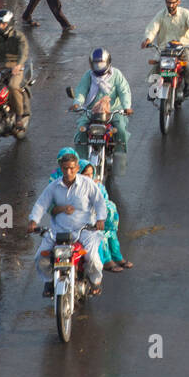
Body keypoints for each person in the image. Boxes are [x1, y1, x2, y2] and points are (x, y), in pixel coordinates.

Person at [27, 149, 108, 298]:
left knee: (93, 259)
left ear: (77, 168)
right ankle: (50, 280)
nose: (69, 172)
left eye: (72, 168)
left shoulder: (87, 184)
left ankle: (95, 282)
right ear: (61, 168)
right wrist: (33, 221)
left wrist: (100, 219)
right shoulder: (54, 186)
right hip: (59, 230)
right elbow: (41, 204)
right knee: (41, 256)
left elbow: (99, 202)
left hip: (85, 230)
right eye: (65, 168)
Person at [70, 48, 134, 168]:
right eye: (96, 64)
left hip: (113, 111)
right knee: (81, 131)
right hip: (91, 111)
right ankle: (81, 165)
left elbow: (124, 91)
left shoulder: (116, 75)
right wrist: (77, 103)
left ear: (108, 62)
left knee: (120, 130)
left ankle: (120, 159)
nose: (99, 66)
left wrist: (126, 107)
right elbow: (81, 91)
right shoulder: (88, 76)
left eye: (101, 63)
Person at [142, 0, 189, 96]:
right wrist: (148, 39)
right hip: (166, 48)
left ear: (178, 2)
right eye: (168, 2)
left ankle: (188, 84)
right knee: (157, 66)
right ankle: (154, 87)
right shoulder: (161, 15)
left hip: (184, 48)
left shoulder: (185, 14)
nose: (170, 5)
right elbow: (152, 28)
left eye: (173, 3)